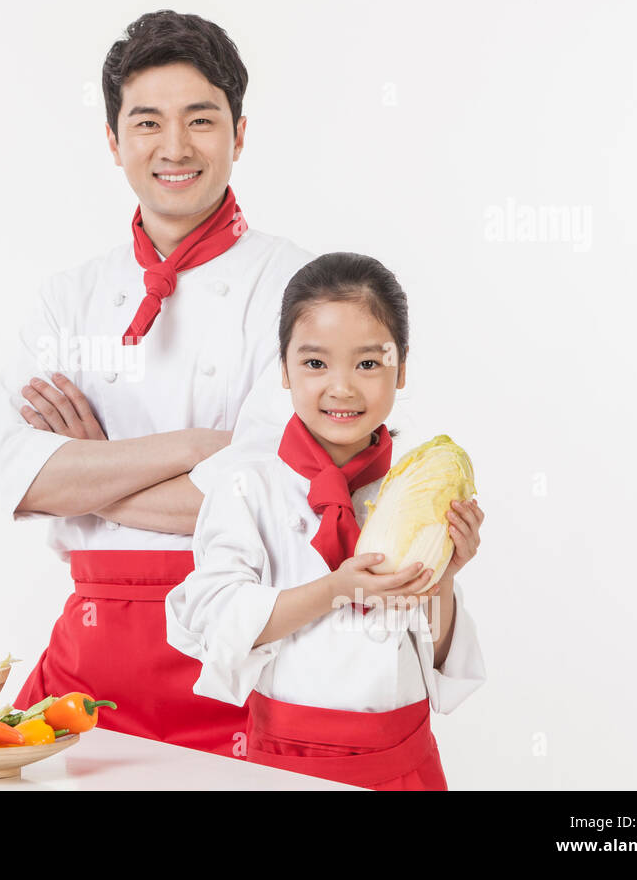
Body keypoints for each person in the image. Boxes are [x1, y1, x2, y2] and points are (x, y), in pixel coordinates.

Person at [0, 10, 313, 758]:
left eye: (201, 119)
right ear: (112, 141)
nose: (174, 148)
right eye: (147, 122)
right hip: (89, 656)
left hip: (245, 648)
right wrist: (208, 448)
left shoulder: (300, 289)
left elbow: (282, 502)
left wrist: (91, 470)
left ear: (239, 133)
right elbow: (18, 478)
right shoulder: (66, 297)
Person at [163, 252, 487, 788]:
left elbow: (435, 660)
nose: (342, 387)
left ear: (401, 368)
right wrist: (334, 589)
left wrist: (443, 577)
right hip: (289, 765)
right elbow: (217, 619)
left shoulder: (411, 491)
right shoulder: (247, 487)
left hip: (404, 763)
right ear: (284, 370)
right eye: (316, 363)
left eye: (368, 363)